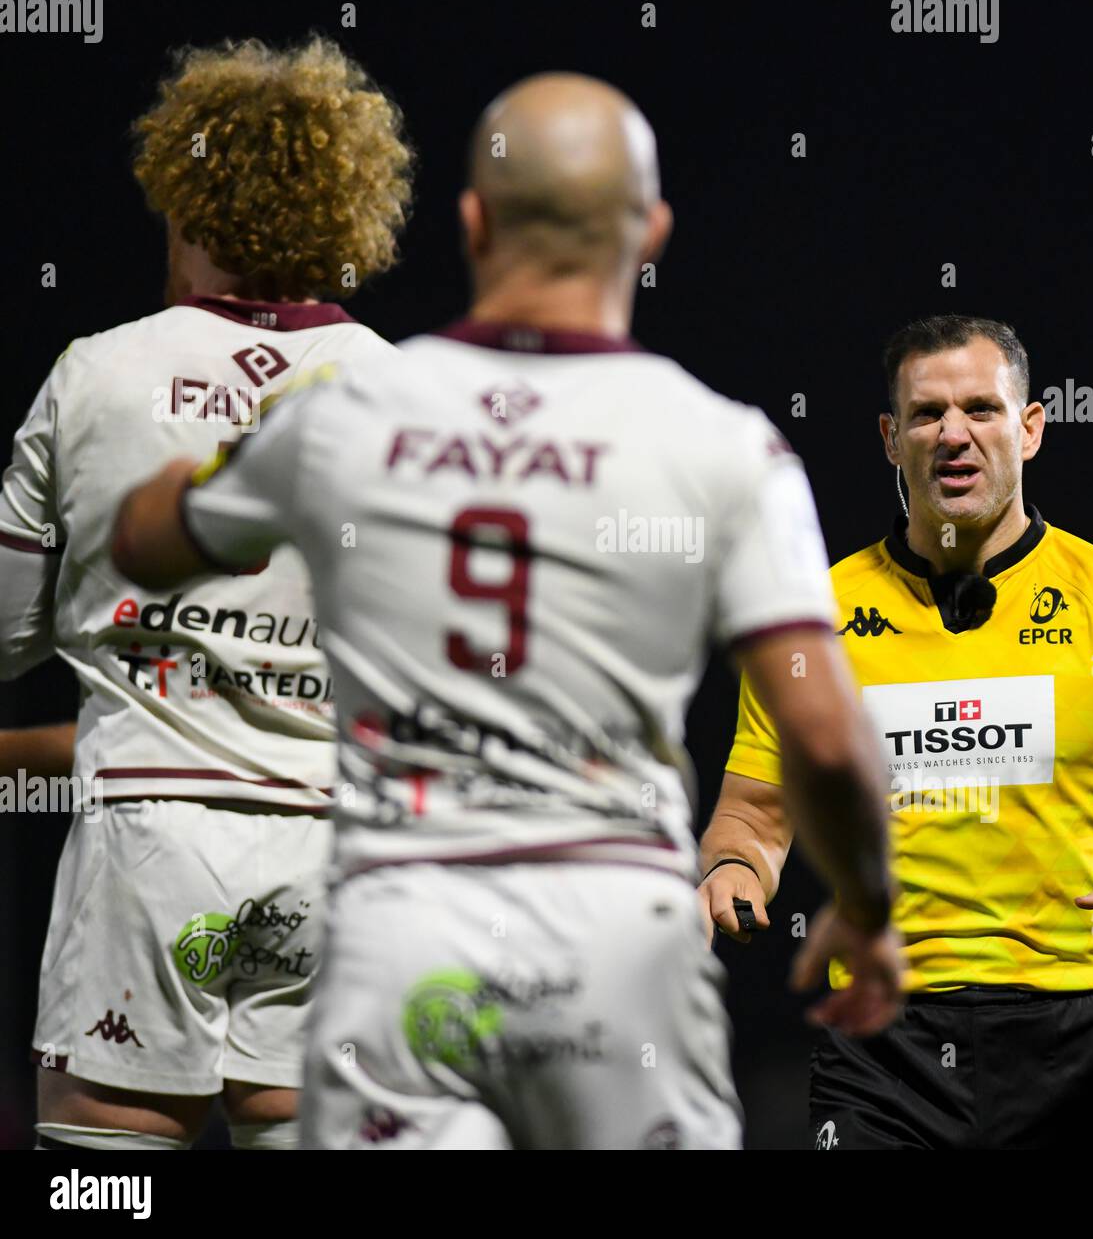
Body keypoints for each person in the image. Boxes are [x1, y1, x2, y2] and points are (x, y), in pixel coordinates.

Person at [110, 72, 900, 1149]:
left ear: (473, 221)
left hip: (404, 928)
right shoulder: (725, 444)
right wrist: (862, 901)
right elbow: (821, 733)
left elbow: (144, 540)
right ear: (652, 230)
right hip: (617, 935)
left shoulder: (347, 415)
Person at [0, 36, 412, 1150]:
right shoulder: (409, 391)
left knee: (101, 1188)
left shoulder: (98, 370)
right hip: (339, 854)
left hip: (147, 850)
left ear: (184, 197)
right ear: (344, 206)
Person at [700, 314, 1093, 1149]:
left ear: (1029, 429)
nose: (953, 434)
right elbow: (751, 818)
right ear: (891, 438)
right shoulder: (812, 620)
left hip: (1075, 1043)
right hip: (884, 1042)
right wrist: (733, 870)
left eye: (981, 410)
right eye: (926, 414)